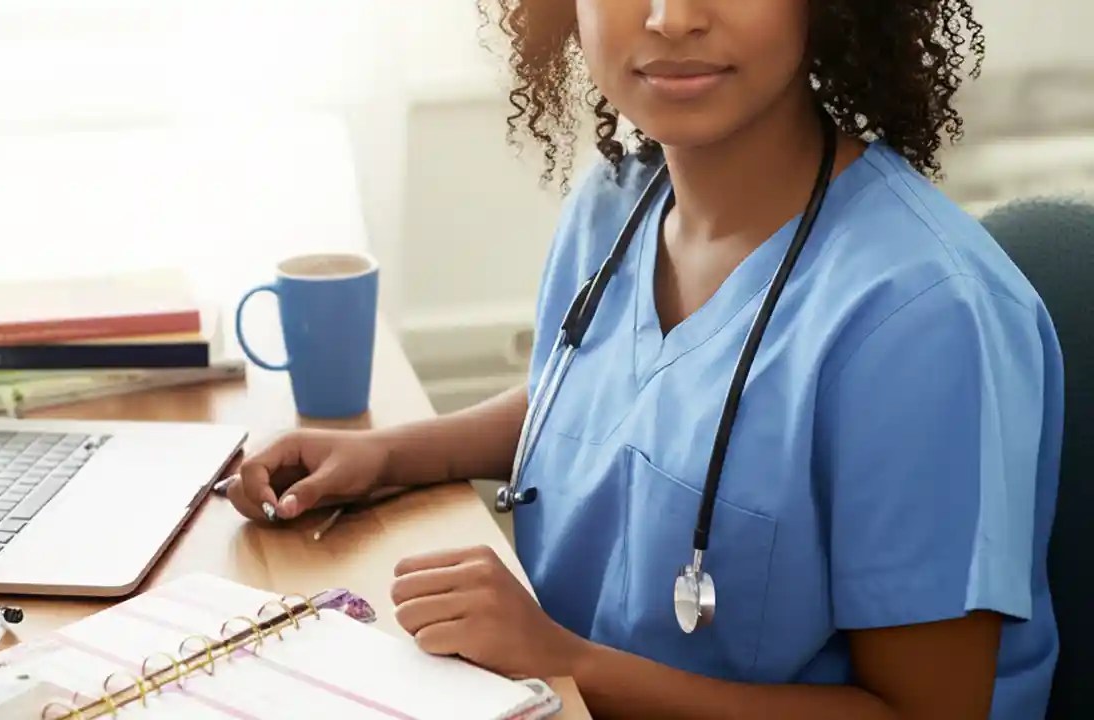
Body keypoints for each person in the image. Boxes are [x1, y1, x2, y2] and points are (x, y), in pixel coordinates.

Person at [228, 1, 1064, 717]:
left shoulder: (922, 319)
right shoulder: (614, 207)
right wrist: (391, 452)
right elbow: (608, 401)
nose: (670, 17)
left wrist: (563, 659)